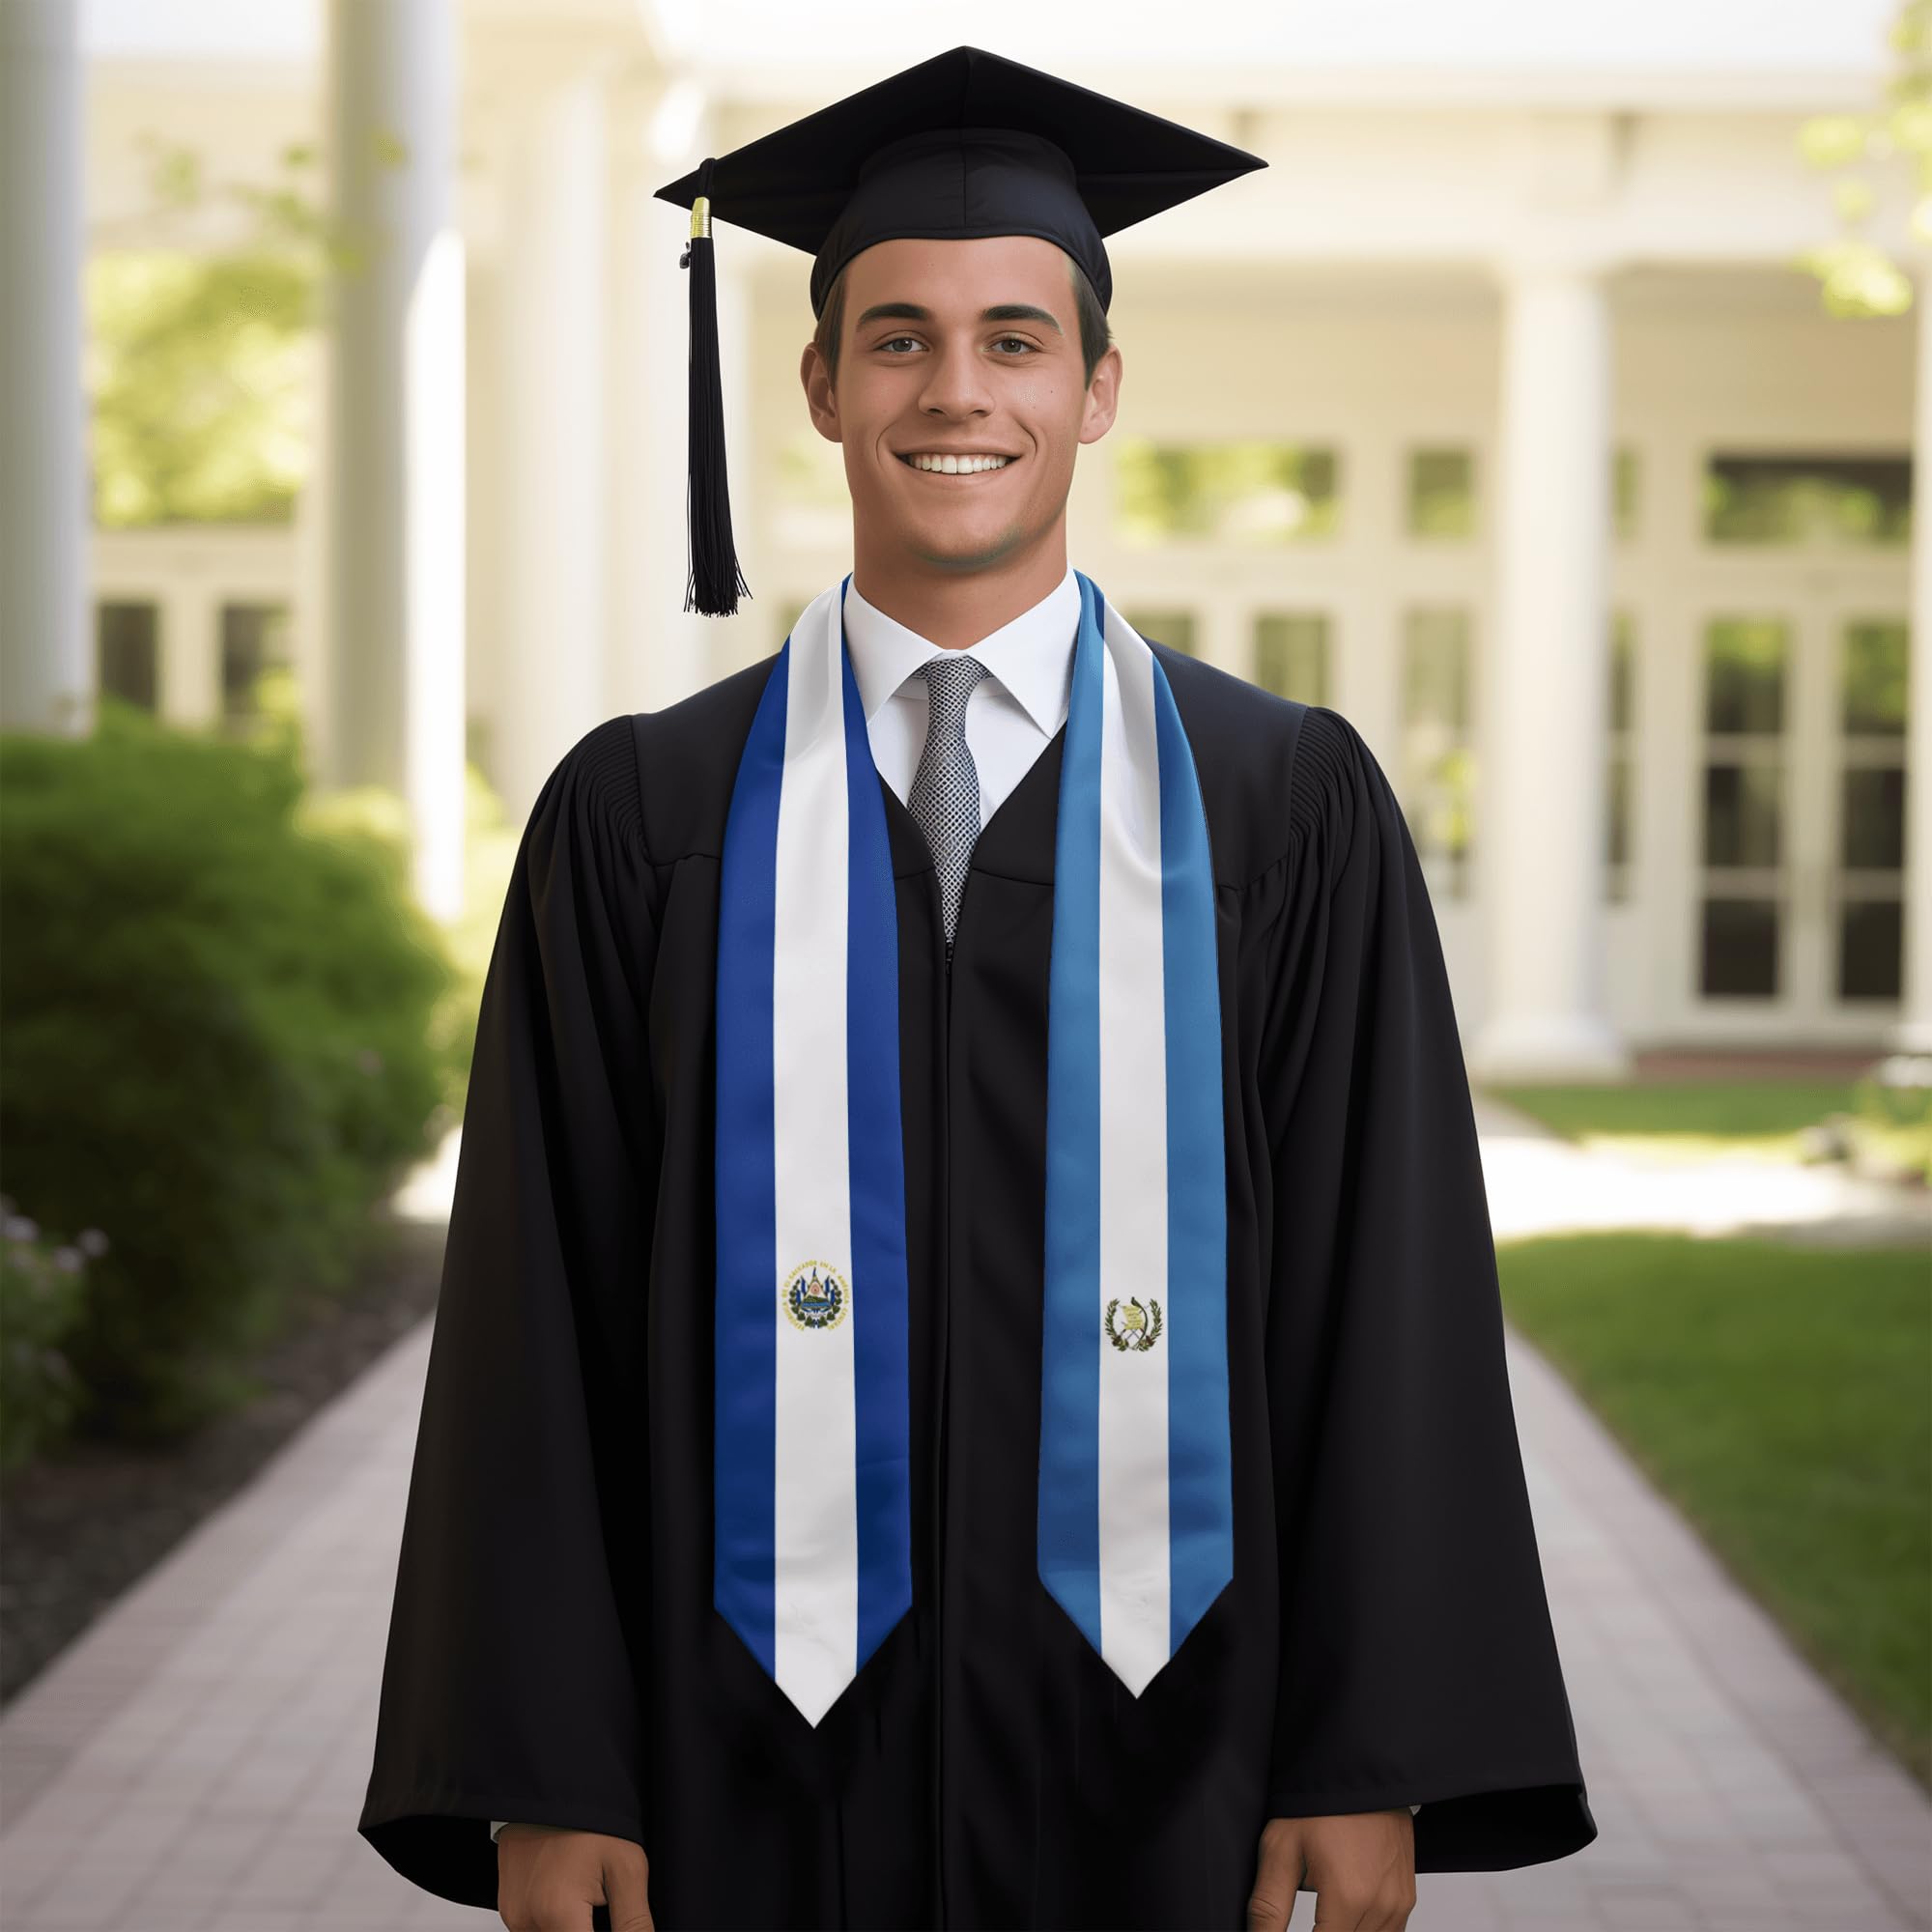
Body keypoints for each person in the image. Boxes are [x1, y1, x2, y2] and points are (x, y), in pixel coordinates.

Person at [357, 44, 1597, 1932]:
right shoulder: (640, 817)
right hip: (732, 1766)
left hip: (1175, 1754)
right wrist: (546, 1767)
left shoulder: (1281, 807)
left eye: (1016, 339)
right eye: (900, 338)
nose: (959, 390)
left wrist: (1369, 1758)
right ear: (820, 385)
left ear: (1096, 389)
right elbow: (540, 1313)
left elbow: (1382, 1287)